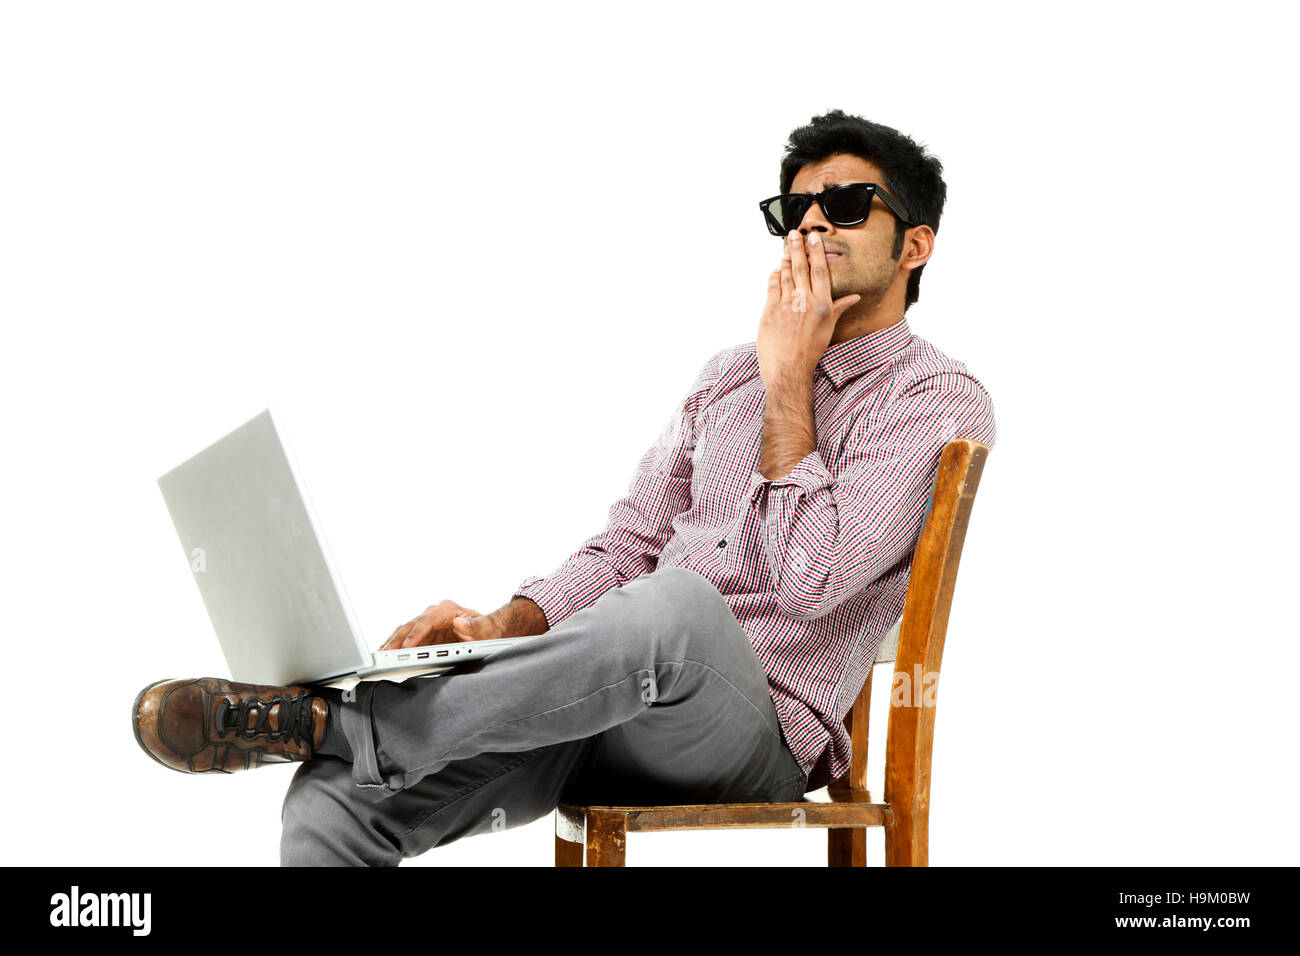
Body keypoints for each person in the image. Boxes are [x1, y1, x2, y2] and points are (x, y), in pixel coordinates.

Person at [132, 109, 997, 866]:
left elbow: (813, 580)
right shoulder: (723, 380)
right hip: (602, 705)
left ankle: (340, 722)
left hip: (752, 728)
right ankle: (342, 737)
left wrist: (789, 378)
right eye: (792, 210)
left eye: (844, 205)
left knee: (677, 609)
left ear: (915, 244)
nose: (811, 225)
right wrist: (505, 626)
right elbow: (627, 544)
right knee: (331, 802)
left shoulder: (935, 398)